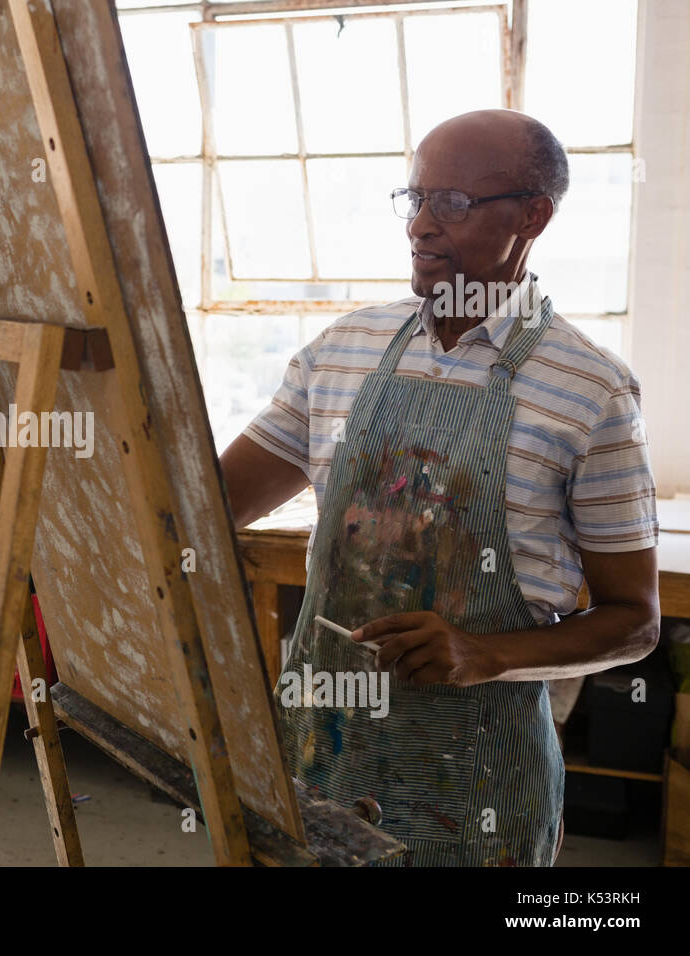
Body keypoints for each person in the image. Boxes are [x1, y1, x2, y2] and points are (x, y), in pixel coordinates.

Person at [221, 109, 660, 866]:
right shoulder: (343, 350)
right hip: (325, 748)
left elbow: (634, 621)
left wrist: (480, 653)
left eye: (451, 204)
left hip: (479, 776)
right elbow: (212, 505)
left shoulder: (590, 391)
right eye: (414, 198)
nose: (419, 226)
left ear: (533, 216)